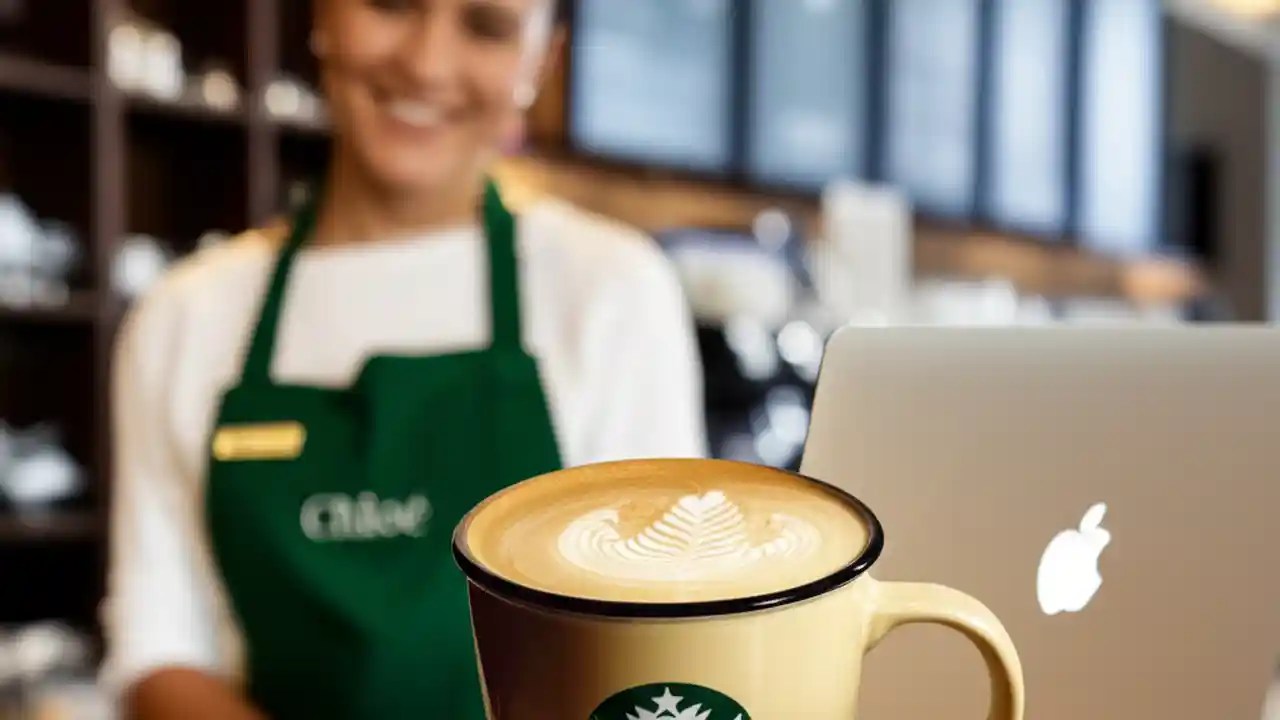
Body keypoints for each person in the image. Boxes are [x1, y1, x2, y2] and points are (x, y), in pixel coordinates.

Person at [99, 0, 706, 717]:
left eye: (486, 27)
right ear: (323, 14)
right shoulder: (183, 318)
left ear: (542, 62)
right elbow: (159, 648)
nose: (425, 63)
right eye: (391, 4)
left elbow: (669, 637)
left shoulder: (611, 292)